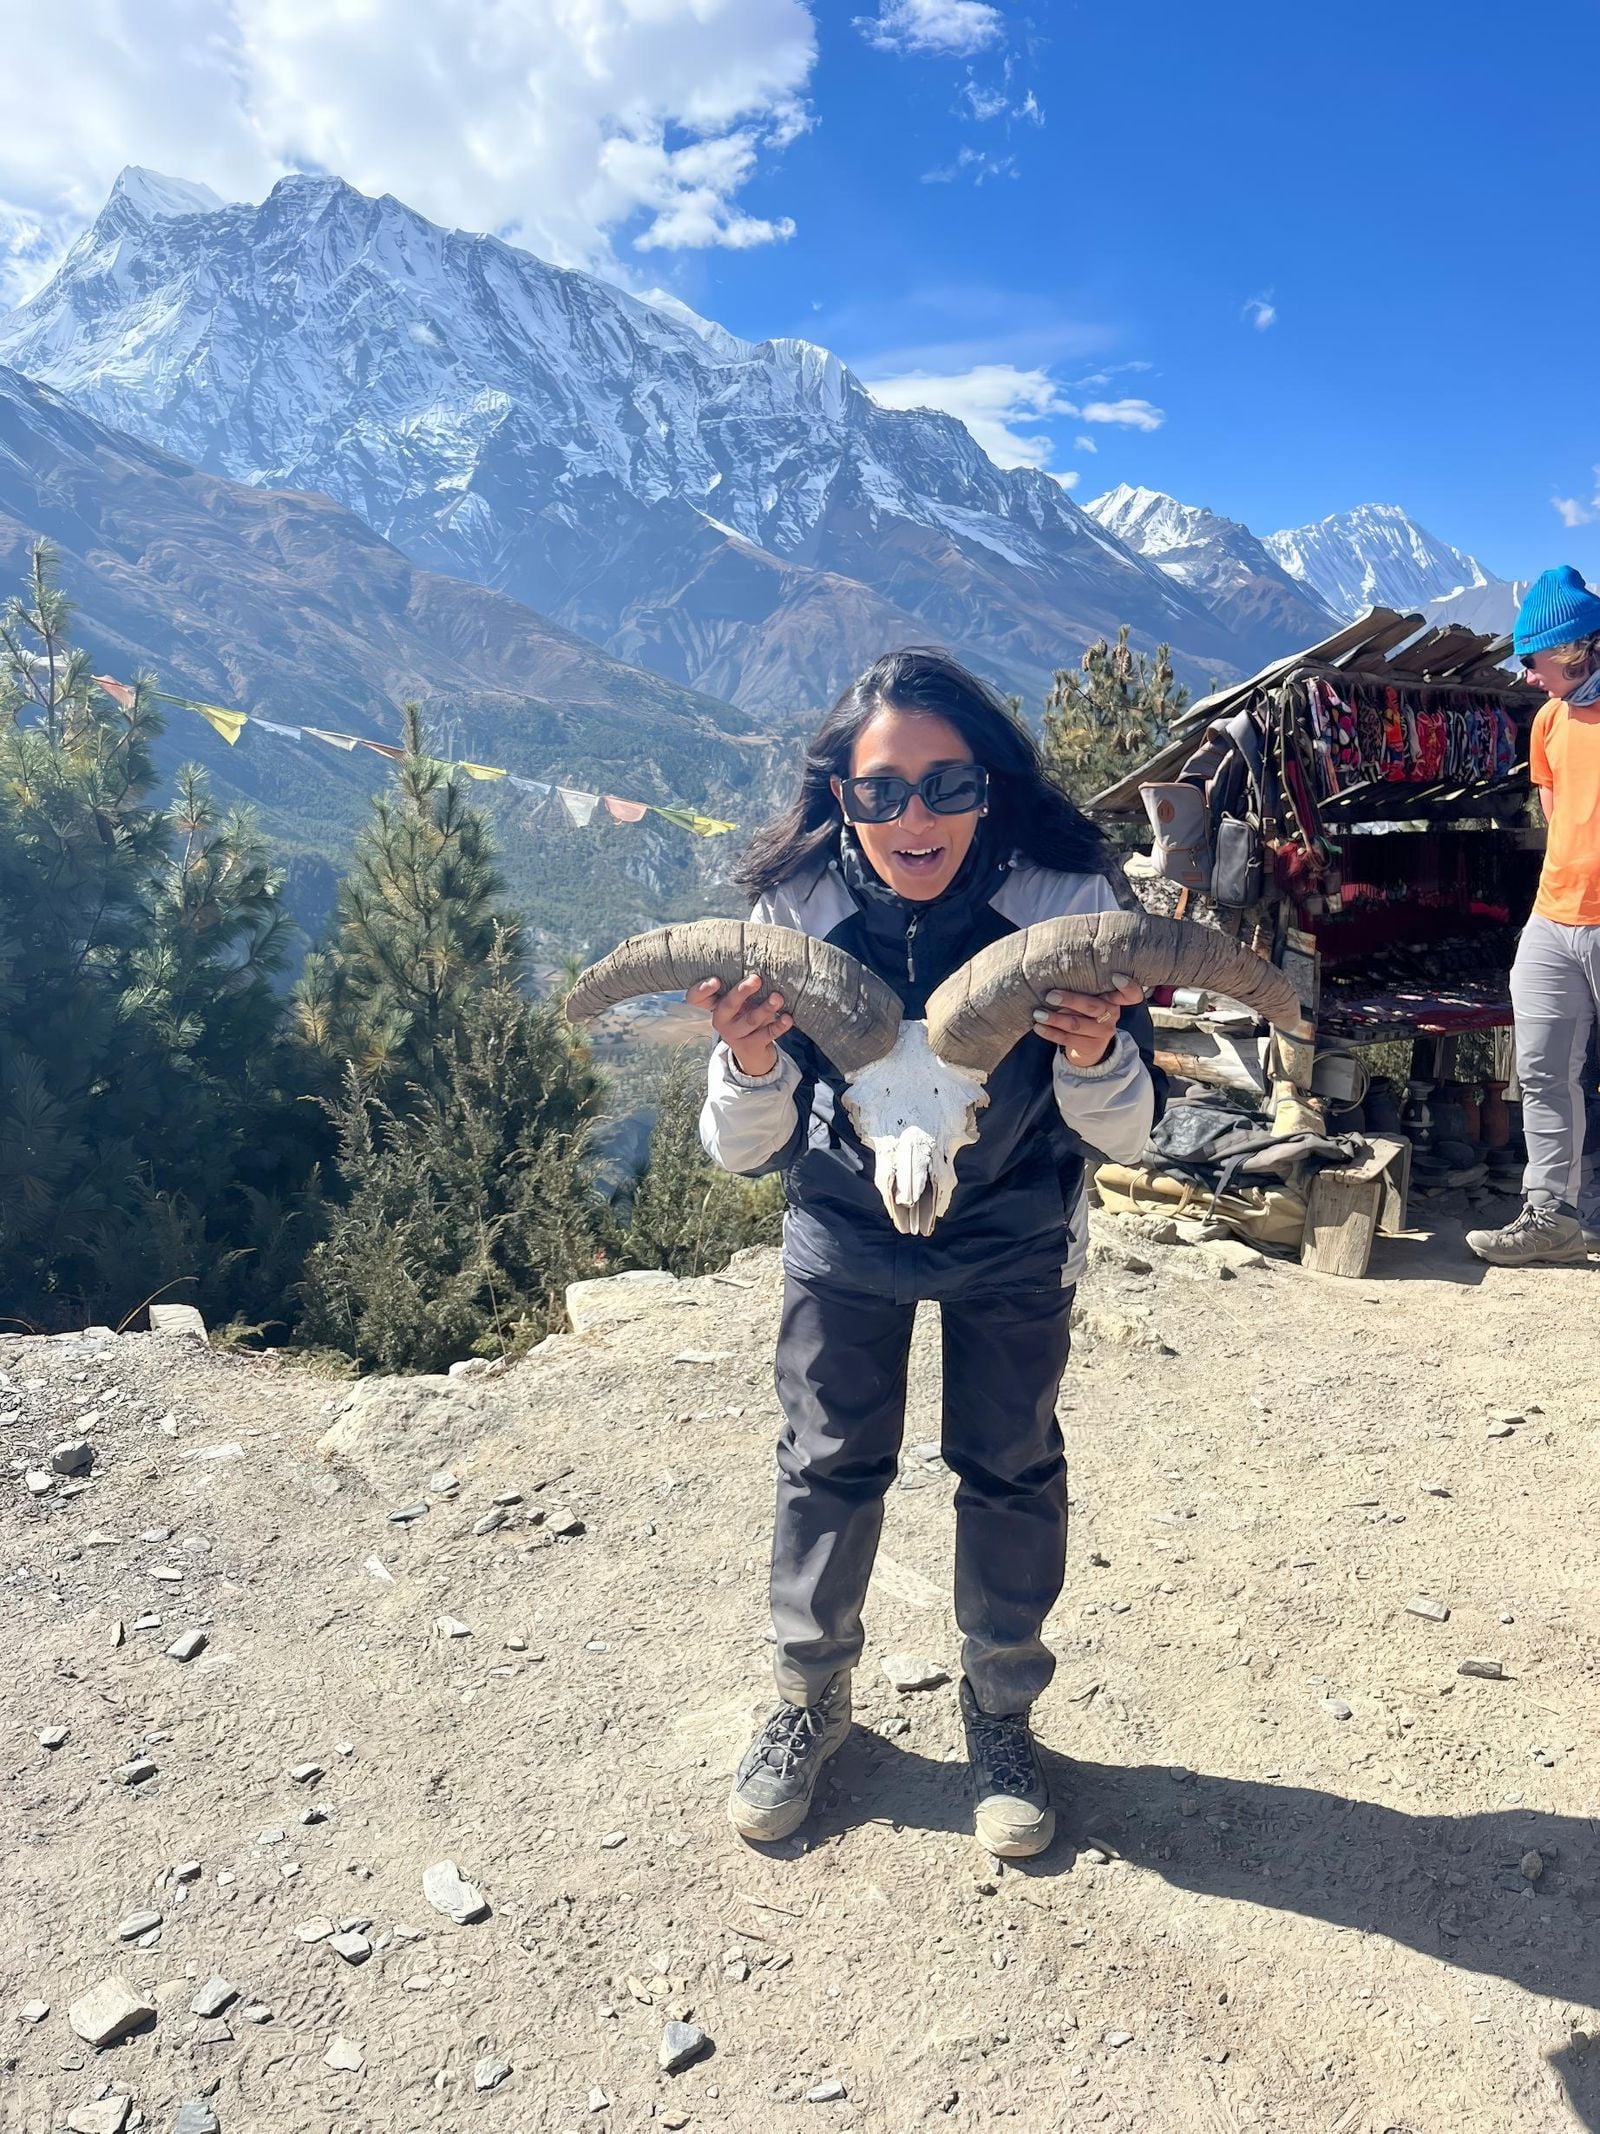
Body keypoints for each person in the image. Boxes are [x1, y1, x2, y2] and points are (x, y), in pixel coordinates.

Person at [690, 648, 1160, 1856]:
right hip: (845, 1223)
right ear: (839, 795)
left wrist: (1097, 1048)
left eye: (947, 786)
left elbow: (1129, 1127)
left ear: (990, 786)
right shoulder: (793, 910)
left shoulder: (1064, 896)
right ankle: (807, 1700)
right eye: (881, 789)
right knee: (828, 1457)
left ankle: (1000, 1716)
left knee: (1009, 1462)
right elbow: (745, 1147)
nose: (915, 816)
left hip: (1011, 1223)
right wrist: (748, 1065)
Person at [1467, 565, 1600, 1266]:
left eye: (1534, 659)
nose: (1526, 676)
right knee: (1544, 1073)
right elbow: (1556, 817)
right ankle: (1551, 1216)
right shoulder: (1548, 721)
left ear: (1577, 648)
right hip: (1553, 920)